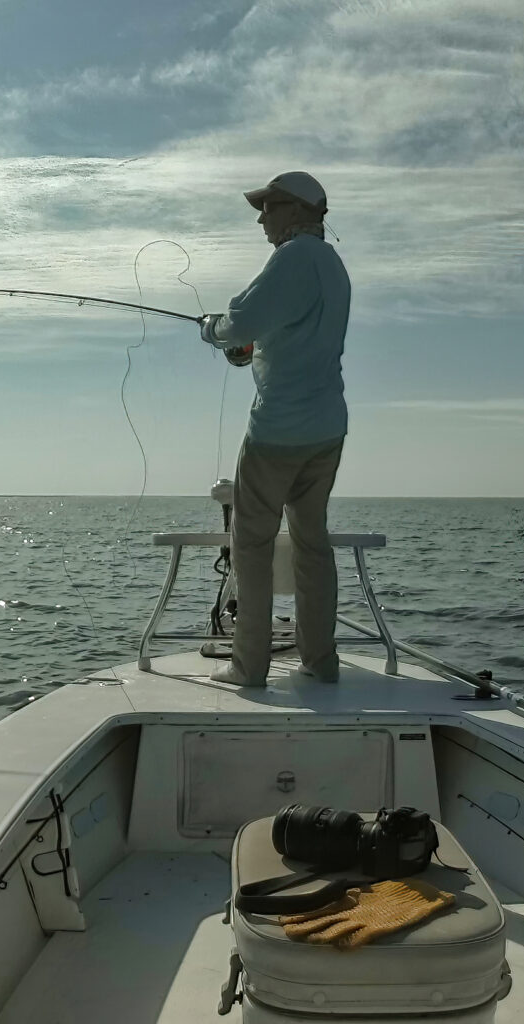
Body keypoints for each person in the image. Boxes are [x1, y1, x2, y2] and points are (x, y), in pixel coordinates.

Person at [199, 171, 351, 687]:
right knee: (313, 545)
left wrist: (213, 329)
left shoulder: (291, 259)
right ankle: (320, 662)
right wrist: (251, 348)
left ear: (294, 210)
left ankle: (248, 671)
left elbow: (239, 322)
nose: (262, 218)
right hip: (327, 430)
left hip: (277, 433)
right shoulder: (333, 266)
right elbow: (289, 335)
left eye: (268, 207)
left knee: (252, 547)